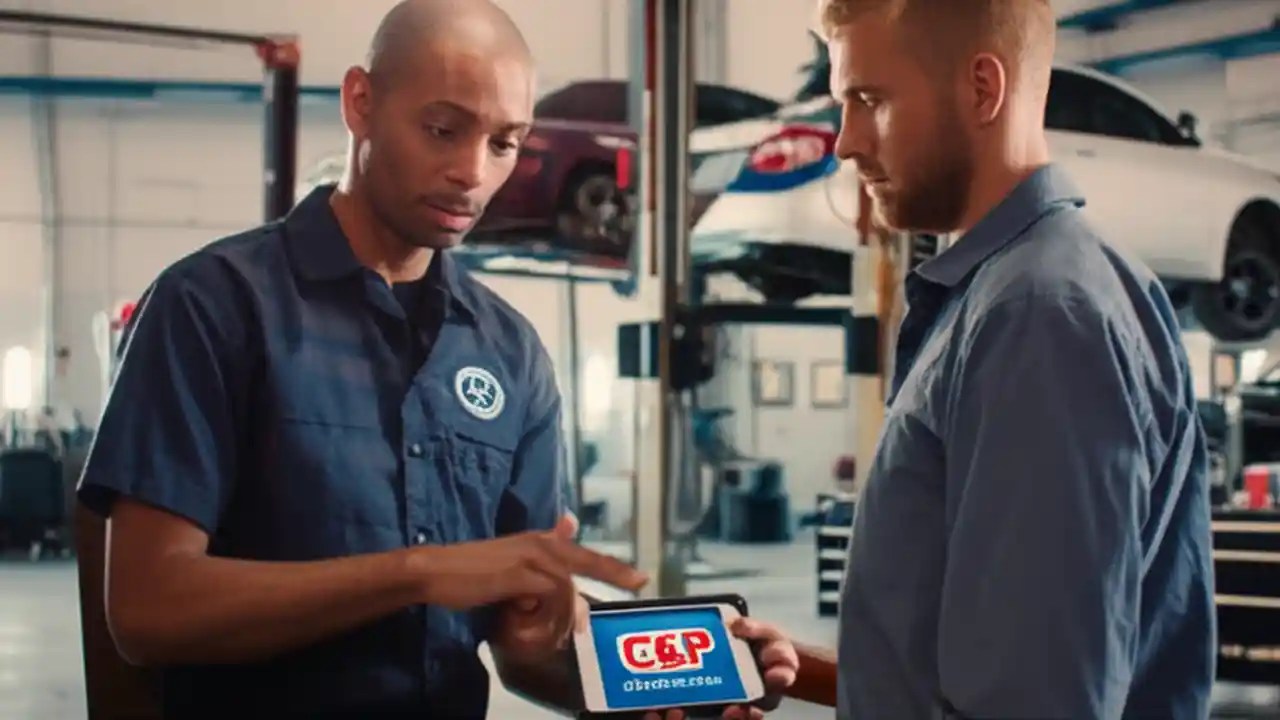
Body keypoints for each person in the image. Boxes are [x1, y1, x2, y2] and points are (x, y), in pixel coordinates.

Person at [75, 0, 796, 717]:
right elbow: (147, 610)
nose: (472, 173)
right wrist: (418, 573)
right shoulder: (212, 307)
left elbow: (524, 652)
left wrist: (678, 680)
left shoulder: (511, 353)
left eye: (504, 144)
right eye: (443, 130)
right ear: (360, 102)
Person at [804, 0, 1216, 719]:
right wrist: (808, 672)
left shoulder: (1037, 317)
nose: (845, 142)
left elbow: (1034, 699)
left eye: (870, 100)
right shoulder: (1026, 289)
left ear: (982, 89)